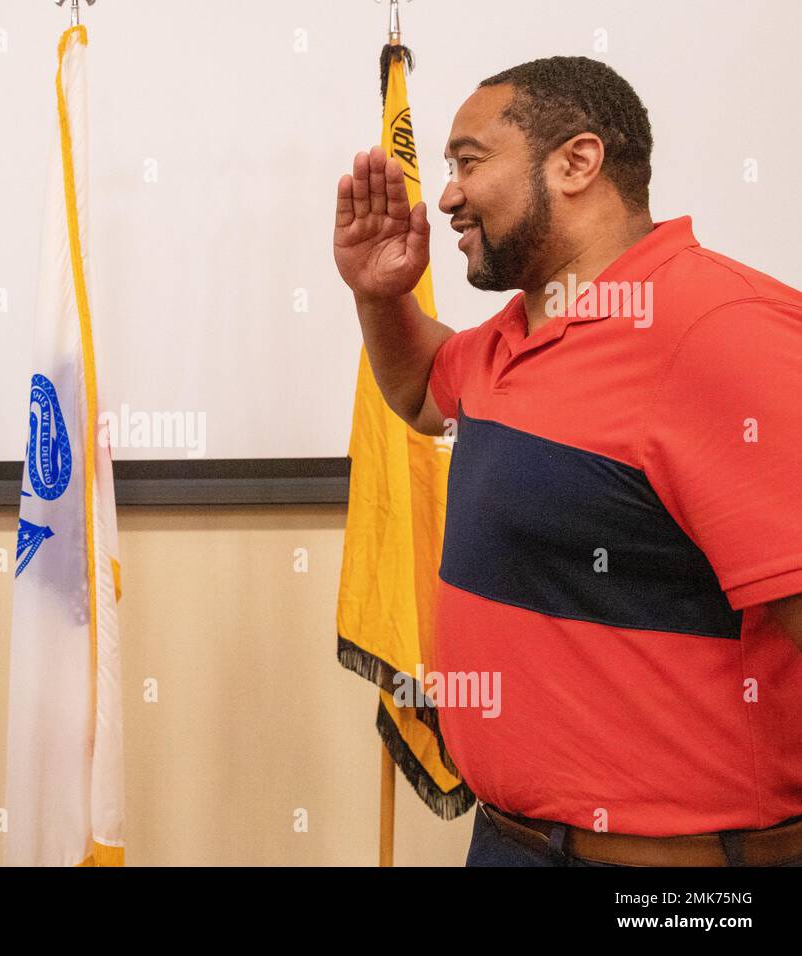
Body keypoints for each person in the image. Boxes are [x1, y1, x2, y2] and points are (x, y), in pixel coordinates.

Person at [334, 56, 802, 866]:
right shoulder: (518, 332)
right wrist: (381, 296)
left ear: (577, 162)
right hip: (510, 842)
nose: (445, 195)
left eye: (469, 162)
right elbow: (418, 396)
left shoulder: (725, 331)